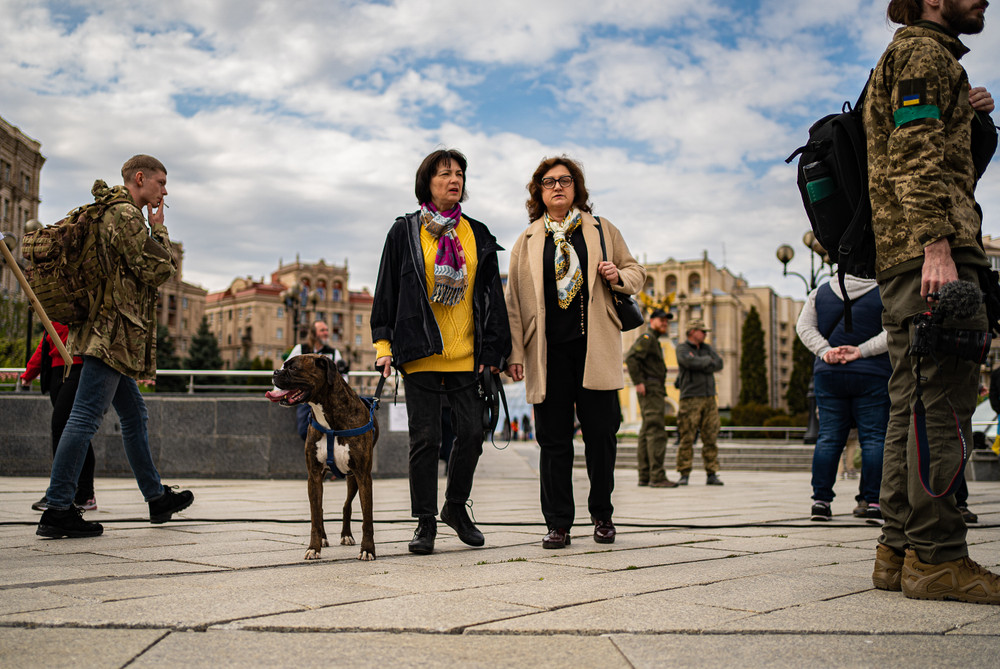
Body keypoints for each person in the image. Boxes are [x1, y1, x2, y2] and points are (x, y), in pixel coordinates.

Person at [866, 0, 1000, 603]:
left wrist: (971, 119)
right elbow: (914, 153)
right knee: (943, 402)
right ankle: (939, 558)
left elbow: (938, 156)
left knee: (912, 405)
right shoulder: (922, 52)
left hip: (905, 258)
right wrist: (937, 247)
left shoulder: (916, 56)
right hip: (932, 255)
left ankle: (897, 552)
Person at [35, 155, 194, 539]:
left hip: (109, 332)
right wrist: (159, 229)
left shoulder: (111, 212)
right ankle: (58, 508)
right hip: (111, 335)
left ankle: (156, 498)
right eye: (160, 182)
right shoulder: (123, 215)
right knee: (84, 418)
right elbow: (158, 269)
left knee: (134, 416)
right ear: (140, 178)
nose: (164, 190)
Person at [371, 148, 511, 555]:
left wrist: (494, 353)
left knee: (472, 434)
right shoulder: (404, 231)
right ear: (426, 182)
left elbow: (492, 299)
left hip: (467, 355)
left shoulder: (477, 233)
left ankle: (455, 507)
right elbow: (387, 292)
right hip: (419, 352)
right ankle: (425, 521)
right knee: (426, 439)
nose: (454, 180)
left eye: (460, 174)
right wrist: (383, 346)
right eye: (445, 173)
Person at [505, 155, 646, 549]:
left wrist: (618, 276)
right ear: (539, 192)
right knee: (553, 441)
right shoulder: (527, 240)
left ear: (576, 188)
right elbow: (513, 304)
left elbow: (636, 271)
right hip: (547, 353)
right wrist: (515, 355)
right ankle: (558, 524)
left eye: (565, 180)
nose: (558, 187)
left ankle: (602, 516)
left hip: (594, 347)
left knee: (601, 436)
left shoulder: (601, 229)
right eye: (549, 182)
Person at [795, 274, 891, 524]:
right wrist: (861, 351)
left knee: (828, 437)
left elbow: (804, 327)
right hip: (872, 373)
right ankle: (873, 503)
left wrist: (825, 351)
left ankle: (821, 502)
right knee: (874, 438)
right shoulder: (885, 290)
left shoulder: (820, 292)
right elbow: (893, 331)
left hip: (829, 374)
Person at [20, 322, 97, 512]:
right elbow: (47, 339)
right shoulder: (55, 312)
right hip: (55, 370)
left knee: (62, 427)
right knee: (75, 432)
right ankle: (84, 494)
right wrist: (30, 372)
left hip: (78, 366)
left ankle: (60, 492)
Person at [626, 308, 678, 488]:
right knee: (656, 431)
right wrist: (638, 382)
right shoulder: (647, 339)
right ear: (652, 320)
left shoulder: (654, 340)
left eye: (666, 321)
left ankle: (645, 475)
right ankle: (657, 476)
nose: (665, 323)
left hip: (653, 388)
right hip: (651, 389)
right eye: (661, 320)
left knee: (646, 431)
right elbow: (631, 358)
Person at [675, 320, 724, 486]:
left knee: (710, 436)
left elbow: (719, 363)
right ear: (692, 332)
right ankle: (684, 472)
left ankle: (712, 472)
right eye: (702, 331)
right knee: (687, 436)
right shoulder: (682, 348)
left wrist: (700, 361)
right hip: (690, 398)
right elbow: (688, 362)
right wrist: (706, 361)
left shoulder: (707, 348)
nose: (705, 334)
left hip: (709, 397)